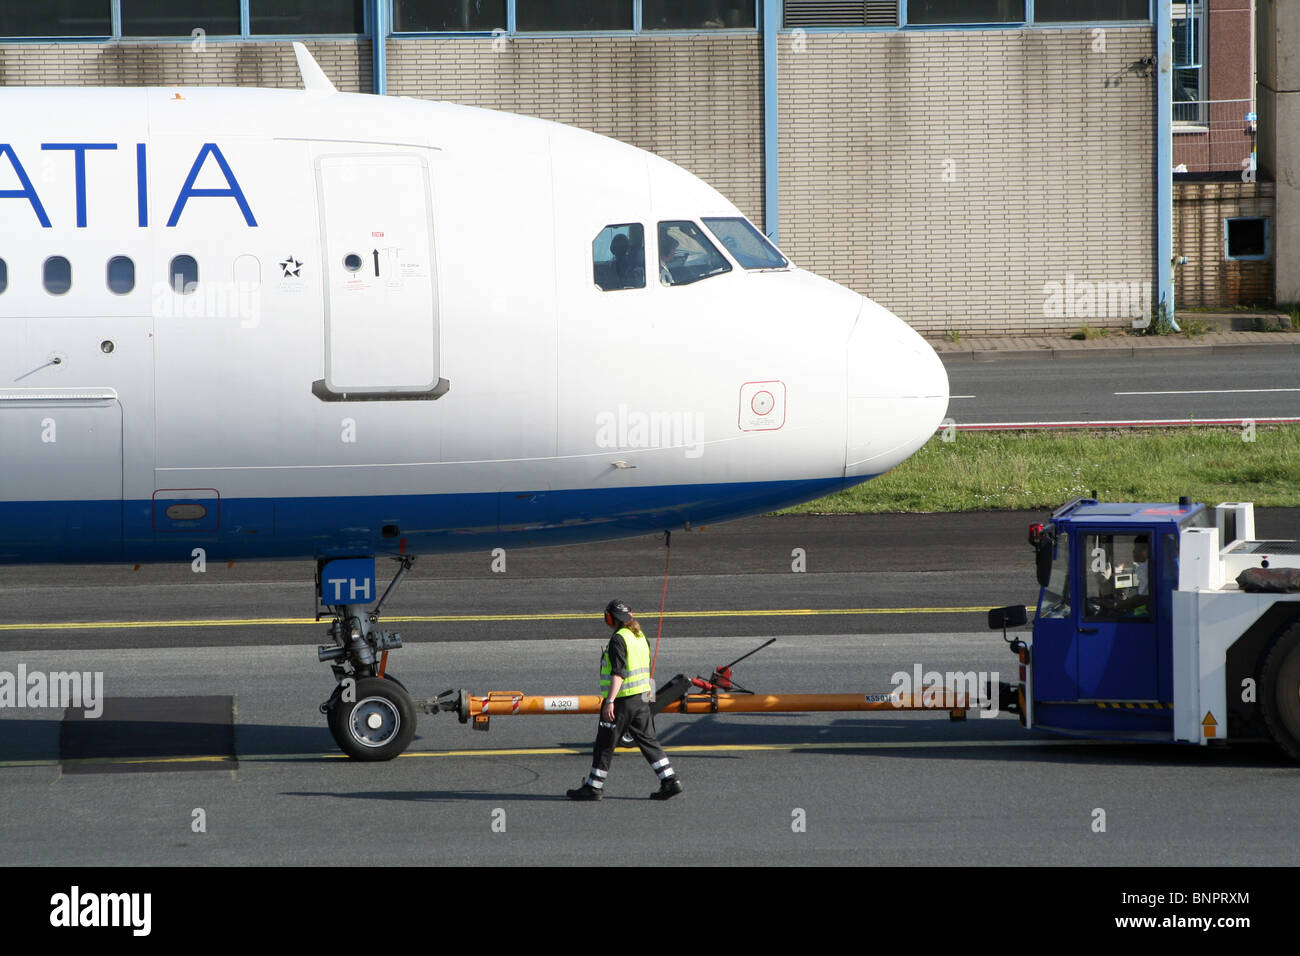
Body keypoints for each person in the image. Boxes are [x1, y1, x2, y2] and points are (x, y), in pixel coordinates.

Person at [567, 600, 683, 801]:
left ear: (610, 618)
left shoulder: (618, 639)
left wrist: (610, 701)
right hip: (641, 700)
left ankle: (593, 787)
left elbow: (618, 674)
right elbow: (646, 668)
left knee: (604, 744)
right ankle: (670, 780)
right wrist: (649, 697)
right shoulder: (639, 636)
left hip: (622, 701)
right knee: (648, 741)